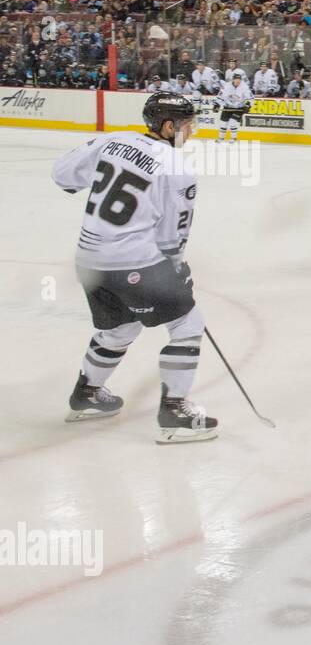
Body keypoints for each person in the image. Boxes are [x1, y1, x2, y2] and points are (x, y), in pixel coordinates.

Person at [53, 93, 217, 443]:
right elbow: (174, 235)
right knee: (188, 323)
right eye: (186, 126)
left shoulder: (114, 140)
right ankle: (174, 408)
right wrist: (177, 269)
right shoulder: (177, 168)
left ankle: (88, 392)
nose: (190, 133)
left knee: (121, 328)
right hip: (132, 262)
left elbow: (62, 175)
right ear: (169, 126)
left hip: (88, 260)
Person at [216, 69, 252, 142]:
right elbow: (220, 96)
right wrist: (217, 104)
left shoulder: (244, 87)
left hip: (239, 108)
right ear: (233, 79)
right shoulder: (226, 86)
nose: (237, 81)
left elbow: (250, 98)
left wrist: (247, 105)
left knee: (233, 122)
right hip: (228, 107)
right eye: (236, 79)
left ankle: (233, 138)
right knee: (223, 123)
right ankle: (221, 138)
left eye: (239, 79)